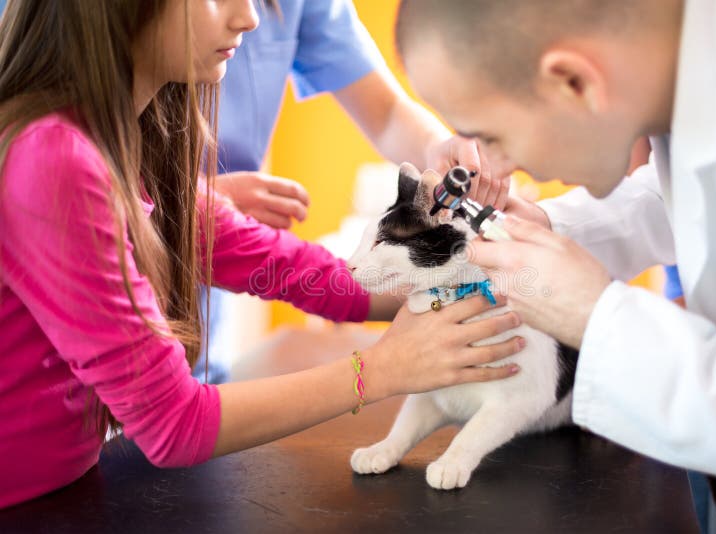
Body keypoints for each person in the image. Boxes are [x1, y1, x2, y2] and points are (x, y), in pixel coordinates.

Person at [0, 0, 524, 508]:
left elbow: (306, 274)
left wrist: (497, 277)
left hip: (67, 489)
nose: (250, 18)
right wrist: (384, 369)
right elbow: (173, 424)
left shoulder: (135, 145)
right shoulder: (55, 160)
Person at [394, 0, 716, 508]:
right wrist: (545, 225)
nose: (495, 167)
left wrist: (599, 320)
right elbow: (695, 199)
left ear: (574, 82)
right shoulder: (685, 74)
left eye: (491, 137)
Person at [196, 0, 514, 384]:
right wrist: (381, 371)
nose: (251, 19)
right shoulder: (187, 217)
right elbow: (184, 416)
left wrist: (436, 148)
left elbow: (385, 112)